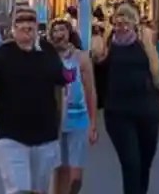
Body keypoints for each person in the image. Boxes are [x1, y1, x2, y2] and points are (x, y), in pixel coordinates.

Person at [0, 6, 66, 194]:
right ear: (13, 27)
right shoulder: (1, 56)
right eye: (21, 22)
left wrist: (61, 126)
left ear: (36, 26)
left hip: (46, 137)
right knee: (19, 189)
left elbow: (61, 89)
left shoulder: (48, 53)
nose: (26, 26)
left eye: (30, 22)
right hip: (11, 137)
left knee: (38, 190)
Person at [92, 4, 159, 194]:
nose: (121, 26)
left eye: (126, 22)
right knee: (131, 163)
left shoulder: (144, 41)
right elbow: (97, 62)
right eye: (118, 22)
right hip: (118, 113)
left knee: (144, 163)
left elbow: (157, 75)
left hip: (146, 111)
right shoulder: (108, 42)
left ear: (134, 23)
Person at [49, 19, 97, 194]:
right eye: (55, 31)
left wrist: (92, 124)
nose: (58, 34)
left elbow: (90, 91)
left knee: (75, 174)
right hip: (55, 121)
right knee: (59, 169)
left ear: (69, 33)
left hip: (78, 120)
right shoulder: (48, 58)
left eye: (62, 29)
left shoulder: (81, 58)